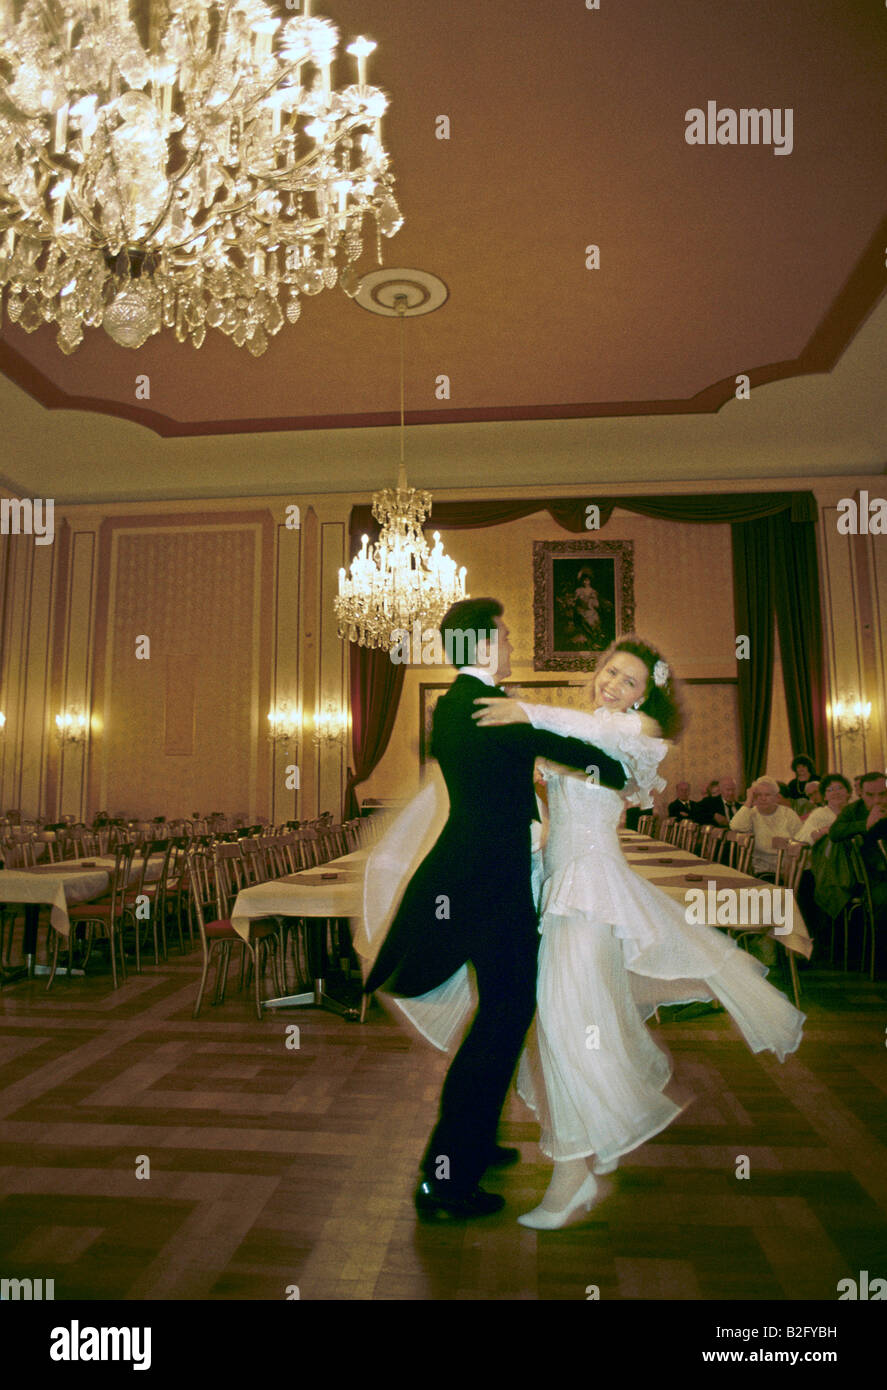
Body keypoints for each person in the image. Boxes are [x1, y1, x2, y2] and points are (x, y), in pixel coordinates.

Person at [470, 637, 804, 1227]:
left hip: (591, 892)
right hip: (565, 885)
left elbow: (581, 747)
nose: (613, 685)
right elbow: (566, 764)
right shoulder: (592, 730)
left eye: (629, 681)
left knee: (566, 1022)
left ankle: (573, 1176)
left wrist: (527, 714)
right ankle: (602, 1138)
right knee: (579, 1017)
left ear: (646, 695)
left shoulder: (639, 730)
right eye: (610, 672)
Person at [360, 597, 628, 1221]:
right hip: (484, 891)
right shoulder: (481, 708)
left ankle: (474, 1144)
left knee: (502, 1018)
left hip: (483, 885)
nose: (511, 644)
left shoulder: (460, 704)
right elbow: (585, 757)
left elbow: (535, 747)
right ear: (481, 646)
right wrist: (621, 753)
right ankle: (446, 1181)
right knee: (501, 1023)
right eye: (504, 636)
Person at [729, 778, 803, 878]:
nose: (763, 798)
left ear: (776, 797)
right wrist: (748, 801)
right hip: (761, 870)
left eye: (767, 795)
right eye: (758, 795)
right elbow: (735, 826)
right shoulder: (751, 813)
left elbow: (801, 840)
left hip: (788, 869)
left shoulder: (788, 814)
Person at [796, 775, 850, 844]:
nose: (836, 792)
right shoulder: (819, 814)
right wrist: (820, 832)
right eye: (830, 790)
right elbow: (801, 839)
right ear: (825, 796)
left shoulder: (855, 810)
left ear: (848, 792)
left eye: (839, 788)